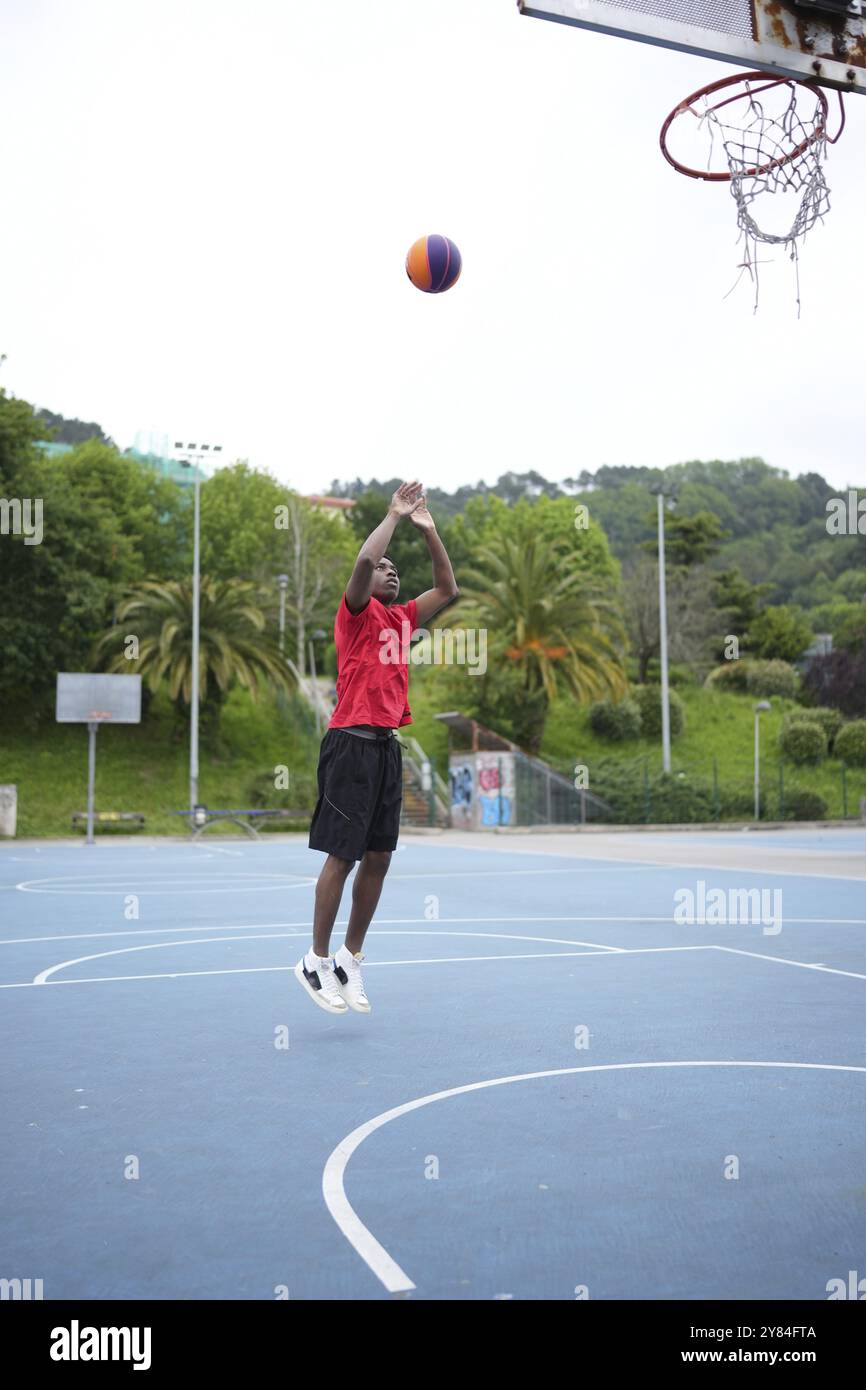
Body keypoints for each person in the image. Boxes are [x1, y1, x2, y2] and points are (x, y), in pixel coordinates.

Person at [295, 480, 458, 1015]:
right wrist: (393, 515)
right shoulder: (356, 612)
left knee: (380, 857)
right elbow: (367, 558)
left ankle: (350, 958)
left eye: (396, 570)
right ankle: (314, 959)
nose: (391, 570)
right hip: (349, 744)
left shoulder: (404, 619)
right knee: (342, 856)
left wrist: (429, 530)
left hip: (387, 748)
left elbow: (448, 589)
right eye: (387, 568)